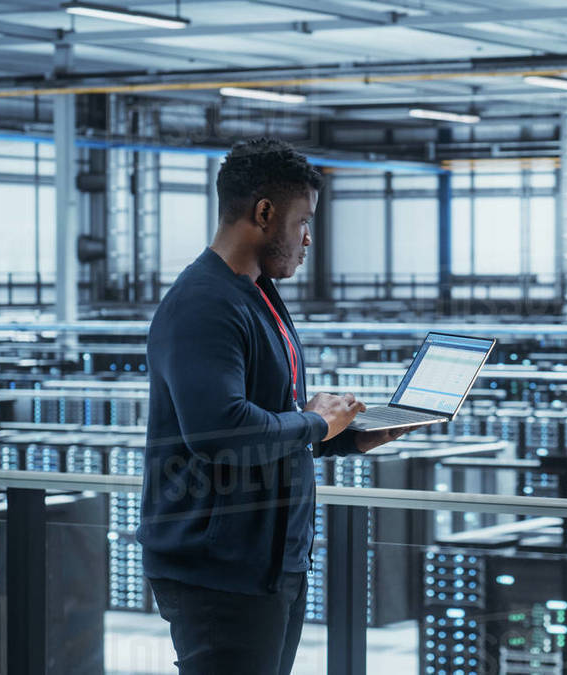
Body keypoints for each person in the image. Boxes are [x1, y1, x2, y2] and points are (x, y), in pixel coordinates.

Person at [137, 138, 410, 674]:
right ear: (264, 213)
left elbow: (269, 416)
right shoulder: (204, 304)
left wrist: (343, 436)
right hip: (219, 571)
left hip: (267, 562)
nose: (308, 239)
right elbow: (220, 431)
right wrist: (314, 422)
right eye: (302, 221)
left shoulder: (256, 295)